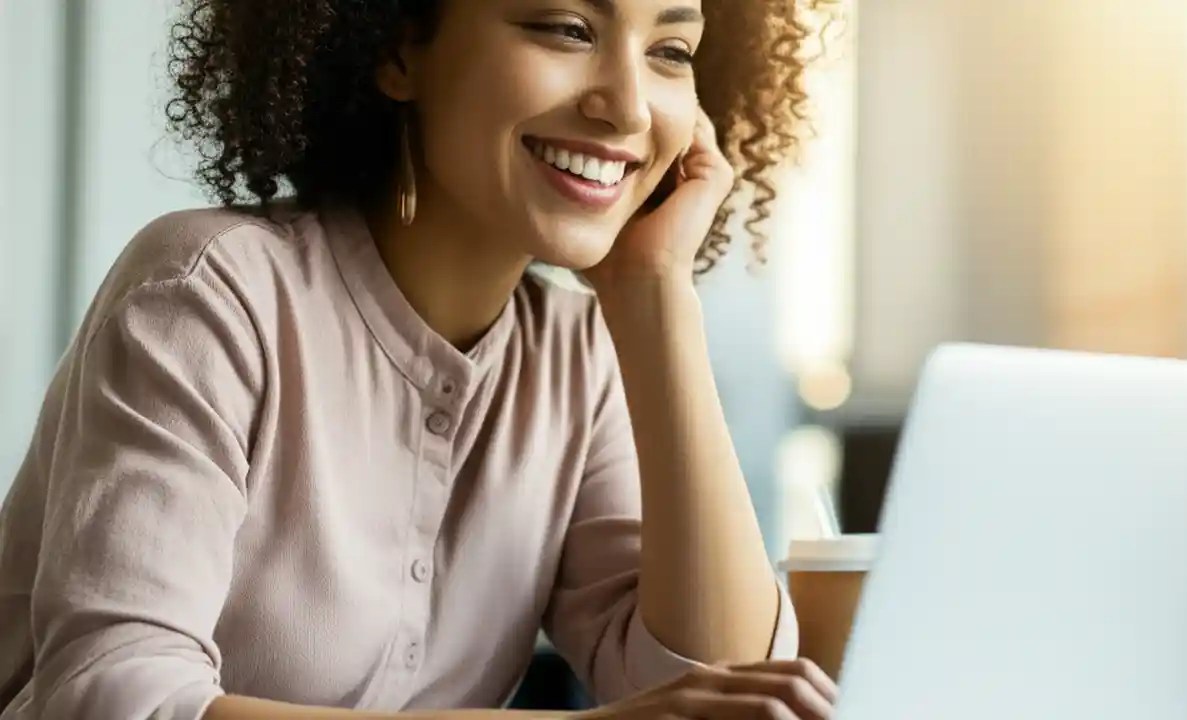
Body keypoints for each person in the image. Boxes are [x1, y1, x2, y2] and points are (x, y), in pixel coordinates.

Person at [0, 0, 841, 718]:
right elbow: (113, 697)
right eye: (567, 29)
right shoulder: (210, 290)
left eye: (671, 51)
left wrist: (655, 294)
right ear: (400, 49)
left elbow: (722, 692)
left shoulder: (578, 354)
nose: (627, 108)